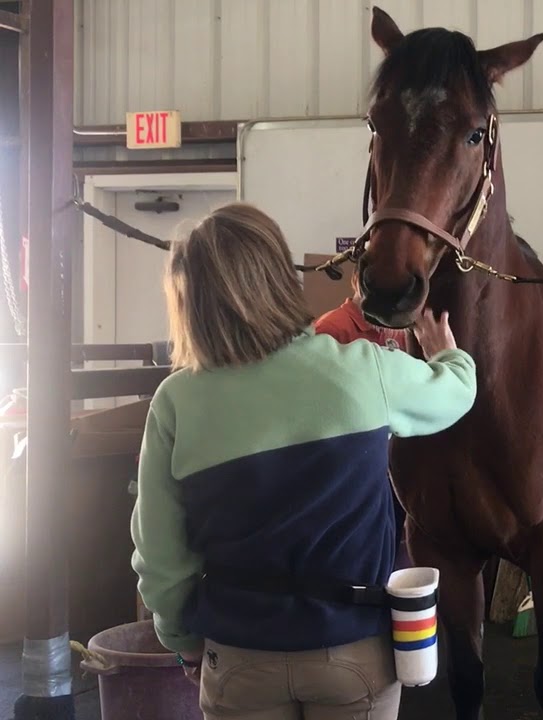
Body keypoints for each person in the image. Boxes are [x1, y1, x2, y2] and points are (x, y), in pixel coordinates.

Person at [129, 202, 476, 719]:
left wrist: (182, 641)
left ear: (188, 301)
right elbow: (457, 392)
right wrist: (445, 352)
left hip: (238, 655)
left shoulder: (175, 402)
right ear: (278, 277)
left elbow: (160, 556)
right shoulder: (363, 370)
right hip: (354, 652)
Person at [314, 271, 414, 568]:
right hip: (354, 465)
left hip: (393, 460)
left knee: (393, 544)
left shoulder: (398, 332)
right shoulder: (332, 329)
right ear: (357, 280)